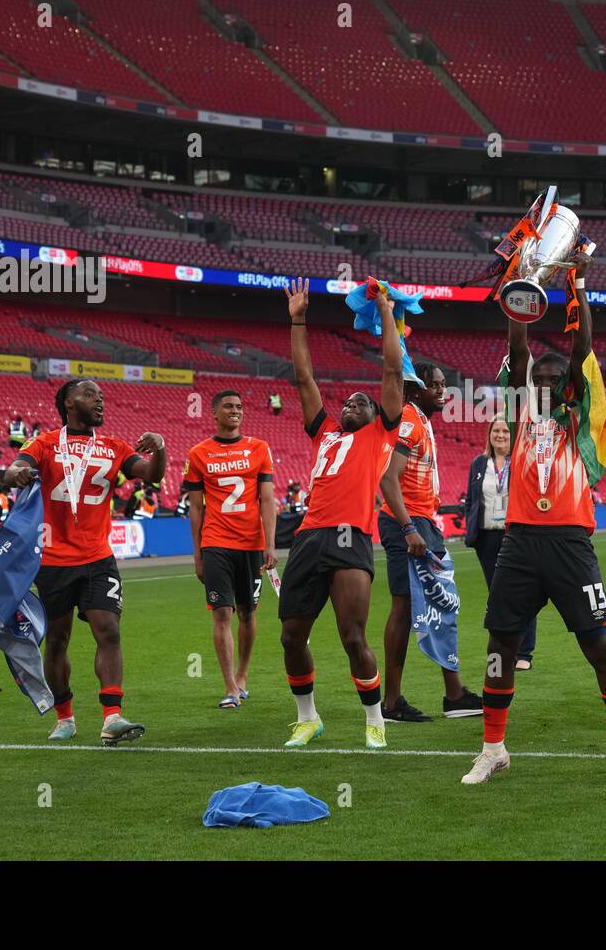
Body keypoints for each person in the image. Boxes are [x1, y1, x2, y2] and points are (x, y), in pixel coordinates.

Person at [463, 261, 606, 788]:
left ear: (568, 385)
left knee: (600, 648)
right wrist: (519, 289)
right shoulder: (520, 412)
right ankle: (493, 747)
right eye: (537, 378)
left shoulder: (576, 420)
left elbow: (580, 350)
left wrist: (579, 285)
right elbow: (520, 351)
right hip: (519, 543)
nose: (544, 381)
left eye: (553, 377)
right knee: (501, 645)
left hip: (571, 542)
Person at [3, 378, 166, 746]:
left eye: (102, 396)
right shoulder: (44, 443)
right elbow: (11, 470)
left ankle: (112, 717)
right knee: (57, 641)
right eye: (90, 395)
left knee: (108, 629)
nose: (99, 401)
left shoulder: (114, 447)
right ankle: (65, 717)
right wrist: (22, 474)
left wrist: (160, 448)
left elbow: (152, 475)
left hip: (98, 558)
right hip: (54, 561)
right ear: (68, 403)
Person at [277, 278, 402, 751]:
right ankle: (308, 718)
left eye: (360, 402)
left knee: (352, 635)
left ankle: (375, 720)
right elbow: (304, 378)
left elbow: (391, 371)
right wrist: (298, 319)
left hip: (351, 536)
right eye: (347, 402)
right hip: (309, 537)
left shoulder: (380, 437)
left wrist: (386, 310)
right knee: (292, 636)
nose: (351, 404)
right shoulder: (325, 433)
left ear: (376, 414)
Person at [378, 362, 482, 721]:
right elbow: (388, 478)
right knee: (406, 609)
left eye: (443, 384)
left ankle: (453, 695)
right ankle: (391, 703)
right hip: (410, 522)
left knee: (438, 605)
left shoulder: (419, 420)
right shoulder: (409, 419)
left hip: (419, 520)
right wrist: (409, 528)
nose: (443, 391)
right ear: (416, 389)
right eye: (435, 385)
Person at [184, 390, 277, 709]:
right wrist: (197, 554)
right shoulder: (198, 453)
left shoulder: (259, 449)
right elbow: (196, 508)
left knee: (248, 613)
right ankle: (229, 689)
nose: (235, 411)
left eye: (239, 406)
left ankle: (242, 676)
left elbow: (267, 499)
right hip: (216, 543)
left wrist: (269, 543)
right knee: (222, 613)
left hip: (250, 545)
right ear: (214, 413)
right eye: (228, 406)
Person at [465, 417, 538, 662]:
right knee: (496, 595)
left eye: (505, 430)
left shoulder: (520, 462)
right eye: (495, 430)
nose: (500, 435)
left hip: (515, 536)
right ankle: (504, 649)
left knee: (523, 593)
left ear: (512, 435)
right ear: (489, 434)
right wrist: (471, 533)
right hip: (486, 538)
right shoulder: (478, 463)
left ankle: (525, 651)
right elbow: (471, 501)